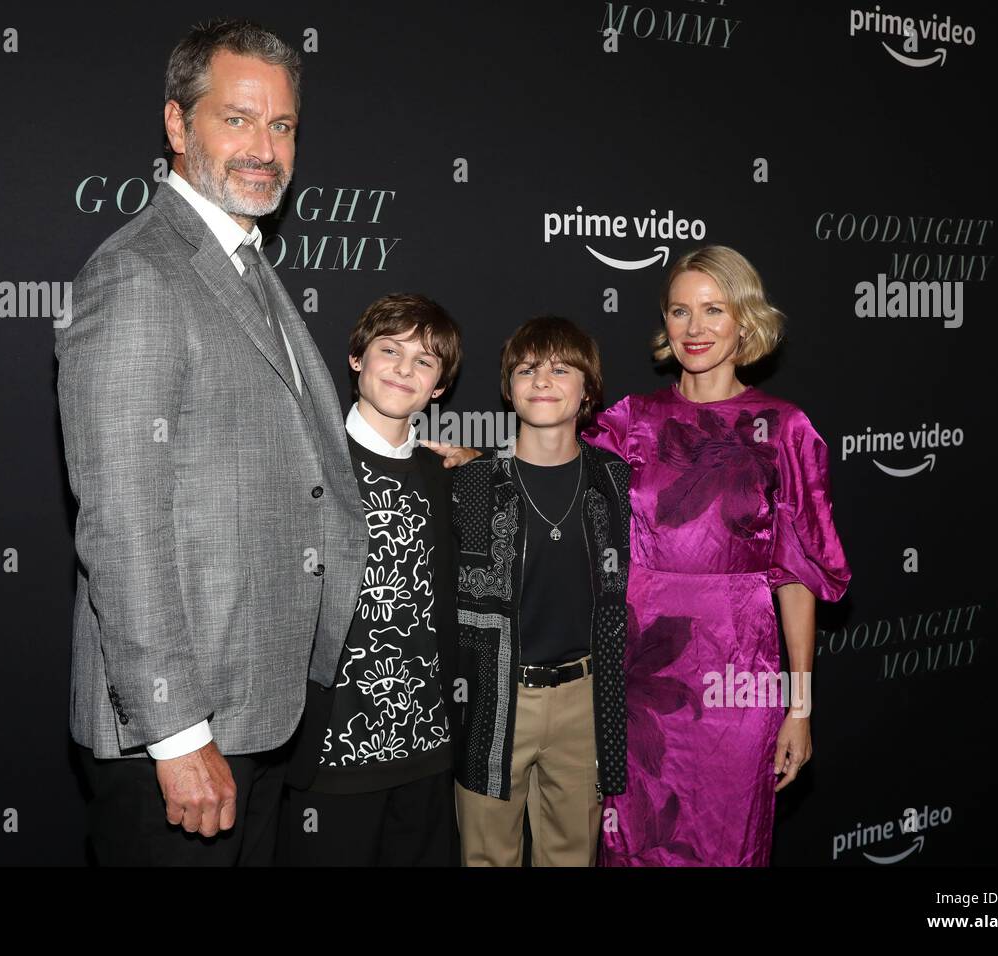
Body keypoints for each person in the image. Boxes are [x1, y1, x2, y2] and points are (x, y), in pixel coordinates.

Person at [55, 18, 370, 866]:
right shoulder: (140, 274)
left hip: (256, 709)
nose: (264, 146)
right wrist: (176, 734)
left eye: (282, 125)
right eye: (236, 119)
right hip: (182, 729)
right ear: (177, 125)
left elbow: (286, 455)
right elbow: (122, 523)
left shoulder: (246, 264)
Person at [582, 245, 851, 866]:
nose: (694, 328)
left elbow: (797, 574)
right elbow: (555, 476)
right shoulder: (631, 420)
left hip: (738, 678)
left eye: (713, 310)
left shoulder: (784, 429)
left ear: (744, 322)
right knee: (630, 846)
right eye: (680, 311)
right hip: (637, 674)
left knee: (727, 843)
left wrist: (799, 707)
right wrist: (479, 462)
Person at [278, 294, 464, 866]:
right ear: (356, 358)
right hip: (330, 752)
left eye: (425, 361)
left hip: (428, 748)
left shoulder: (446, 474)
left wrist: (475, 457)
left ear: (439, 388)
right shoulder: (305, 462)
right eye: (390, 350)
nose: (404, 369)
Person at [451, 317, 631, 866]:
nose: (542, 381)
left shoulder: (615, 481)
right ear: (508, 388)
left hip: (585, 698)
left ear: (587, 390)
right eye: (527, 369)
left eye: (560, 369)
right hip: (495, 697)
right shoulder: (473, 481)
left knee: (573, 857)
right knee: (486, 857)